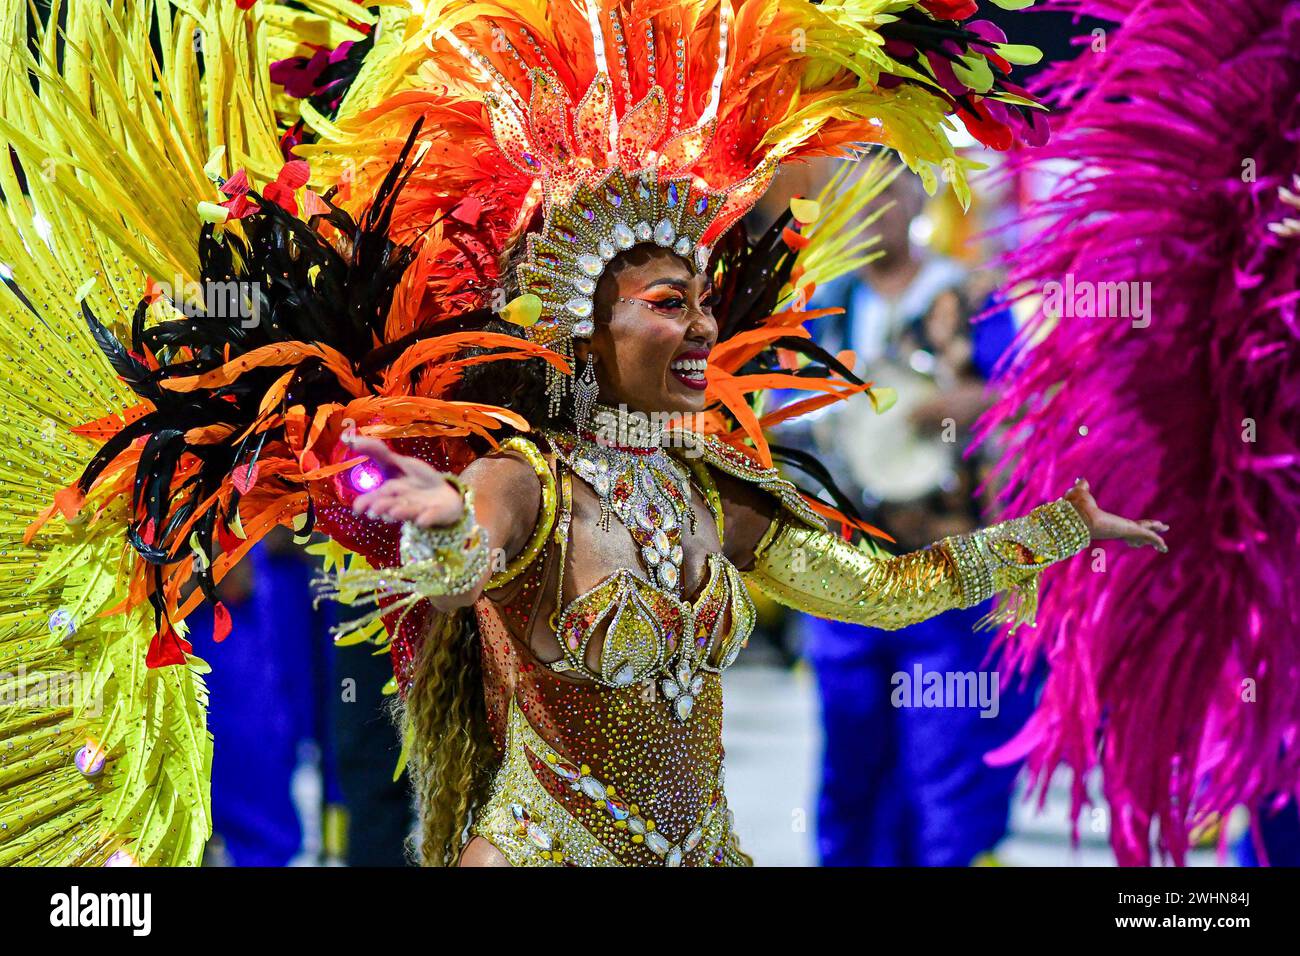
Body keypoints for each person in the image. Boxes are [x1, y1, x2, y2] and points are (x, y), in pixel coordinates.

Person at [0, 0, 1167, 867]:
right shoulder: (529, 482)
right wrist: (437, 519)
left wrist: (1064, 526)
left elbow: (888, 588)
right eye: (670, 303)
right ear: (583, 324)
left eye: (707, 298)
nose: (705, 323)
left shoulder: (716, 488)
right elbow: (470, 554)